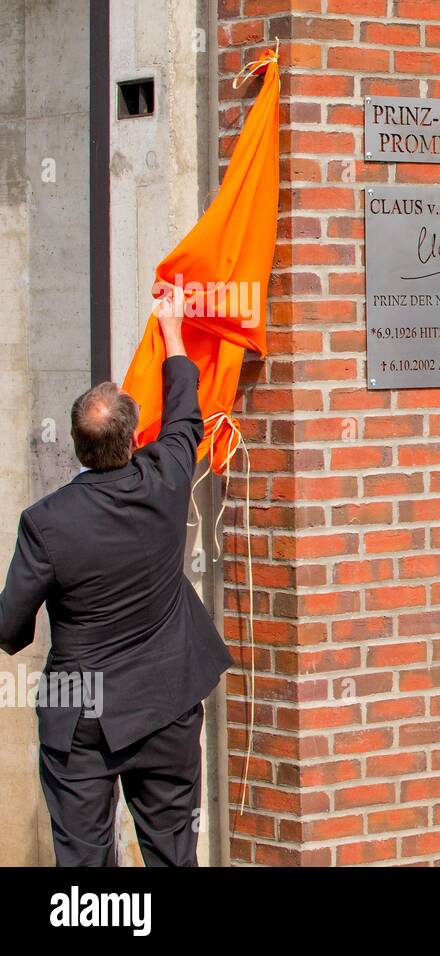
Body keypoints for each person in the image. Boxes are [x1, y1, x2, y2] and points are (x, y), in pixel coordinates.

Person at [0, 289, 234, 866]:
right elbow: (184, 413)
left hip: (80, 711)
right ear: (135, 441)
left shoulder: (46, 522)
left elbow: (10, 626)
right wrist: (173, 331)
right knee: (173, 855)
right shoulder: (166, 478)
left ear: (78, 449)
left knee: (84, 870)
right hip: (166, 702)